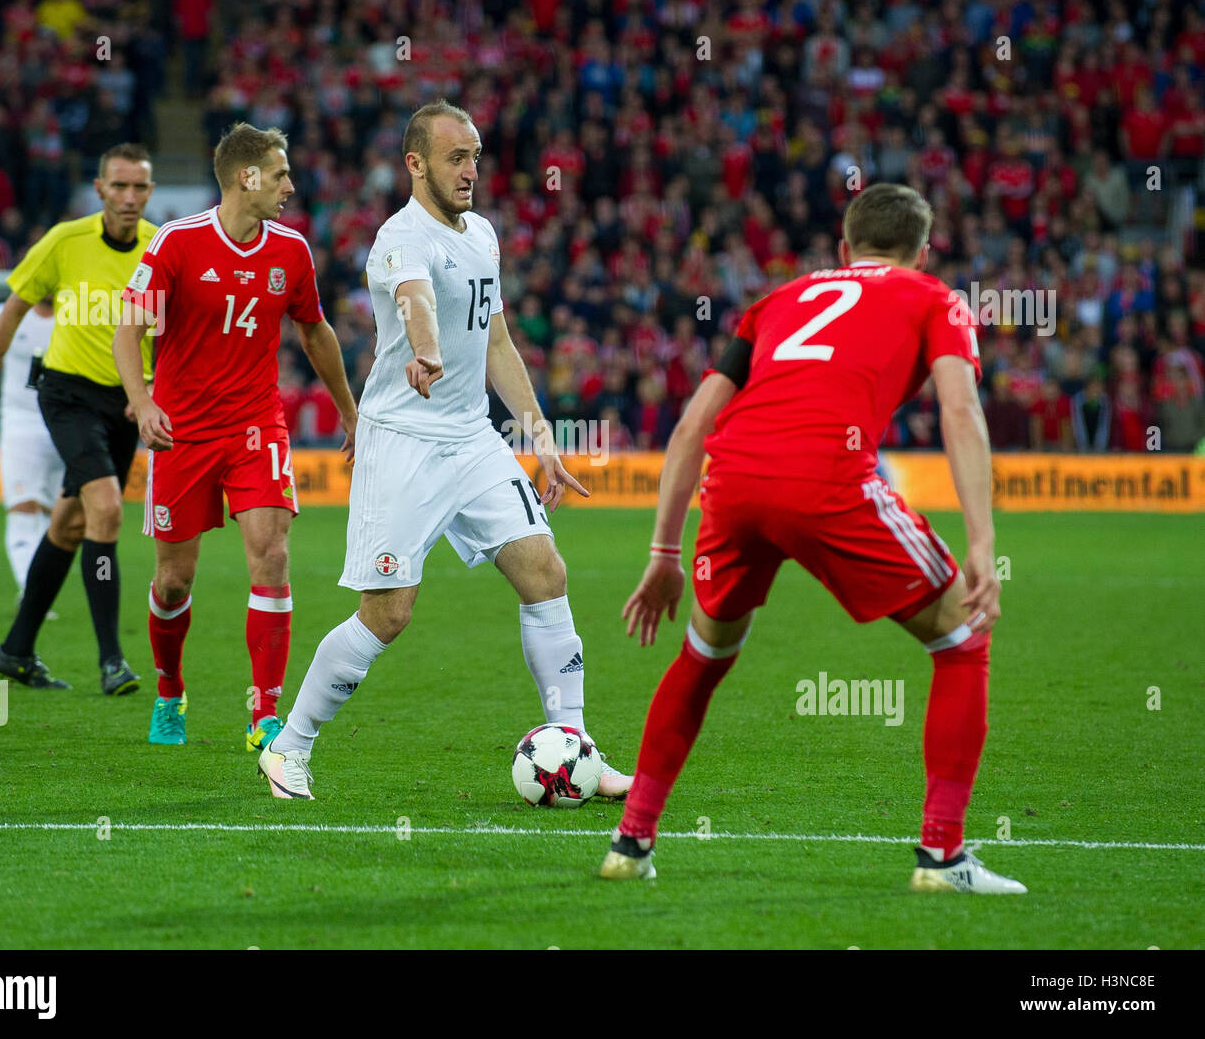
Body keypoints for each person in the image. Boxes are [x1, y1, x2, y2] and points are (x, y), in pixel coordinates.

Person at [600, 183, 1025, 894]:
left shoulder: (776, 301)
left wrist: (662, 554)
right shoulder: (934, 297)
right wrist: (982, 542)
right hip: (827, 476)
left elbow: (689, 427)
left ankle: (631, 840)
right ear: (923, 253)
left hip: (732, 481)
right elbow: (960, 409)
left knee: (703, 655)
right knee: (962, 634)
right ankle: (943, 858)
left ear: (842, 248)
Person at [258, 100, 633, 801]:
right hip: (403, 442)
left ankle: (575, 750)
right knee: (389, 613)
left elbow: (495, 341)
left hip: (472, 437)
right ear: (415, 163)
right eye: (456, 157)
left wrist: (541, 439)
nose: (470, 169)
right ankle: (289, 746)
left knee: (545, 571)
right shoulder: (401, 238)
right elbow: (414, 300)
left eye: (476, 155)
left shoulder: (483, 233)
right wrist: (425, 350)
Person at [113, 123, 358, 749]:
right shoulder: (177, 242)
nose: (290, 186)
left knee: (272, 557)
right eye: (280, 175)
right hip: (181, 432)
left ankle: (265, 715)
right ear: (246, 177)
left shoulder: (292, 251)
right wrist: (141, 403)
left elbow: (315, 331)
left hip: (257, 426)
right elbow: (129, 329)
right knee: (174, 580)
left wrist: (351, 414)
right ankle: (170, 692)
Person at [0, 143, 158, 694]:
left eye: (139, 187)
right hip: (66, 394)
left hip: (124, 404)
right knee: (107, 509)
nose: (129, 197)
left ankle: (15, 650)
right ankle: (112, 661)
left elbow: (173, 330)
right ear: (99, 190)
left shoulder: (159, 246)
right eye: (118, 186)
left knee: (70, 523)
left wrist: (152, 392)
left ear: (149, 191)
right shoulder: (65, 241)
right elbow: (13, 307)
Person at [0, 298, 65, 607]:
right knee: (23, 507)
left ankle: (38, 588)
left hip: (66, 422)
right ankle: (33, 594)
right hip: (19, 423)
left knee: (56, 518)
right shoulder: (5, 313)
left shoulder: (77, 312)